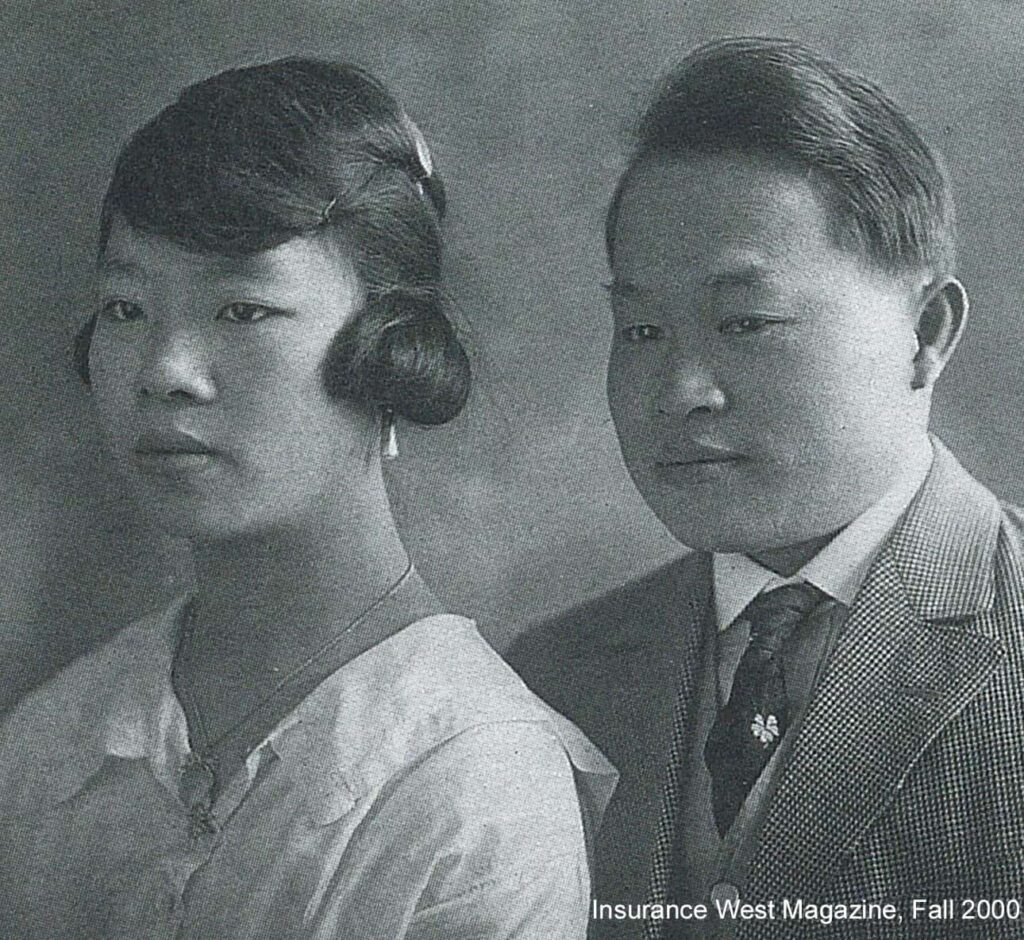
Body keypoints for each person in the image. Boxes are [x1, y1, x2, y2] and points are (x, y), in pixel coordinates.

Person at [0, 58, 616, 940]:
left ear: (389, 346)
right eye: (127, 309)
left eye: (243, 311)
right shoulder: (55, 742)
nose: (166, 371)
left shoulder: (472, 784)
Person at [509, 38, 1024, 938]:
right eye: (640, 331)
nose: (680, 391)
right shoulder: (555, 677)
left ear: (927, 333)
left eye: (745, 321)